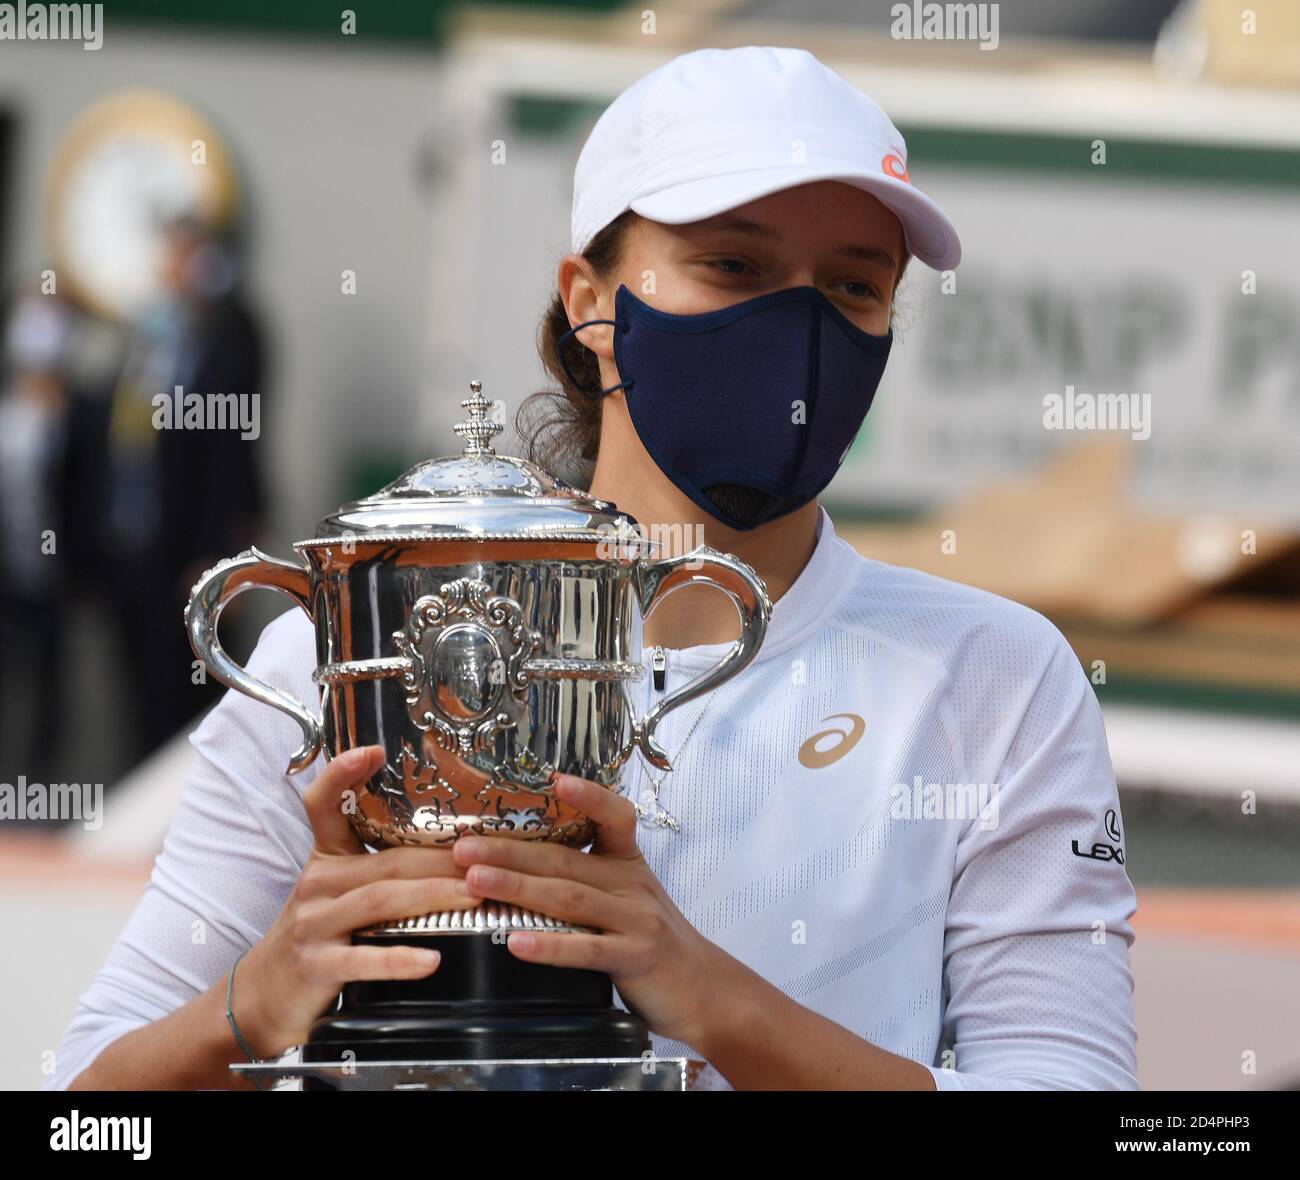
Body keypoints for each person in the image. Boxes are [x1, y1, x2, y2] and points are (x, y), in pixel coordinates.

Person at [46, 46, 1138, 1092]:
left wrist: (717, 1003)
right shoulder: (346, 651)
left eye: (854, 289)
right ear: (589, 301)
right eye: (734, 265)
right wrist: (255, 999)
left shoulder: (999, 677)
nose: (799, 327)